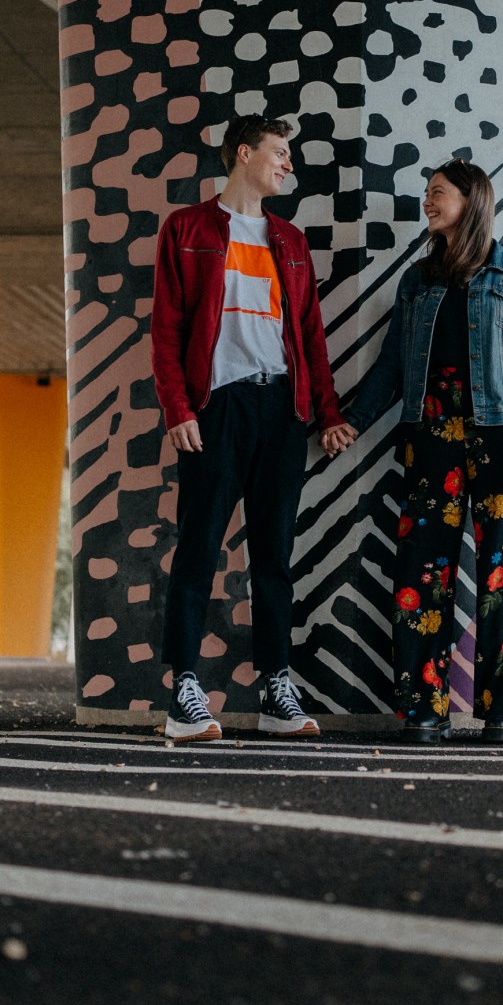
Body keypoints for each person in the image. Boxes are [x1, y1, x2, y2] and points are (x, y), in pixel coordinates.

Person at [328, 159, 503, 744]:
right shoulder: (418, 279)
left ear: (471, 201)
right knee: (422, 571)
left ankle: (501, 713)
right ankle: (423, 710)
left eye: (437, 193)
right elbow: (393, 364)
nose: (427, 202)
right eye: (428, 193)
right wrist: (352, 420)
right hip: (430, 436)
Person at [150, 114, 354, 743]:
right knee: (198, 549)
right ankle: (184, 691)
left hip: (281, 410)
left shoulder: (290, 240)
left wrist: (327, 413)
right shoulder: (187, 229)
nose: (289, 164)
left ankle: (275, 689)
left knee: (273, 560)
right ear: (244, 153)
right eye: (280, 152)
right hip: (216, 408)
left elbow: (310, 334)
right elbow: (167, 329)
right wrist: (178, 408)